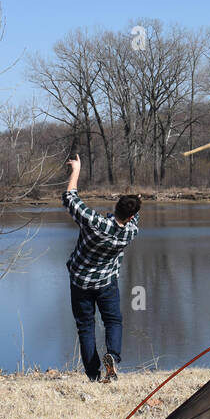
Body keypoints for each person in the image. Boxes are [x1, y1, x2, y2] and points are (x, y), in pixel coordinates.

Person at [63, 154, 140, 382]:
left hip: (80, 282)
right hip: (106, 283)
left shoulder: (95, 223)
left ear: (115, 207)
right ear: (132, 215)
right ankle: (113, 357)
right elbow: (131, 218)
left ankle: (94, 374)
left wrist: (76, 170)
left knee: (86, 327)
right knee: (113, 321)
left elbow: (70, 198)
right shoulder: (130, 231)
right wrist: (134, 202)